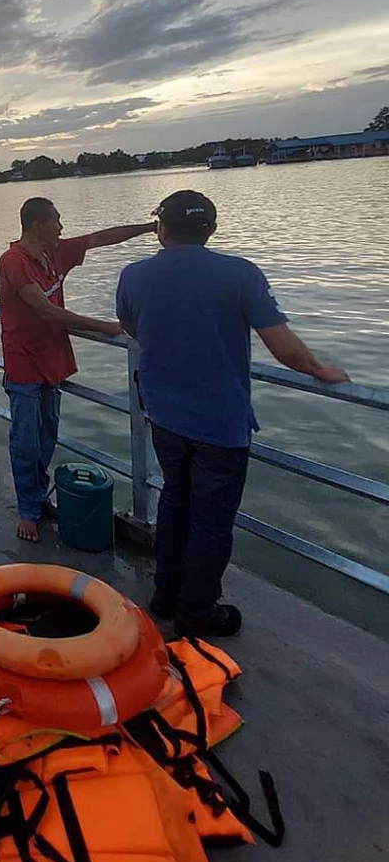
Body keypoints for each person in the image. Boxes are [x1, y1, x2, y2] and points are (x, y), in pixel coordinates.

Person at [116, 190, 350, 638]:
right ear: (212, 229)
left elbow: (131, 327)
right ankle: (197, 612)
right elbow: (281, 346)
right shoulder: (240, 274)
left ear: (162, 228)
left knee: (175, 501)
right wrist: (321, 370)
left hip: (163, 414)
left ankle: (166, 593)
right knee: (211, 519)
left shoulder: (133, 275)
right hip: (220, 423)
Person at [0, 197, 156, 544]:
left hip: (51, 360)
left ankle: (38, 496)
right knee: (25, 439)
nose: (62, 226)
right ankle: (27, 509)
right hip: (23, 361)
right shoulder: (14, 261)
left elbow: (102, 237)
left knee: (47, 432)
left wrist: (148, 228)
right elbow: (45, 312)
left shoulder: (54, 253)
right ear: (38, 225)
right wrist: (106, 326)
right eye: (56, 220)